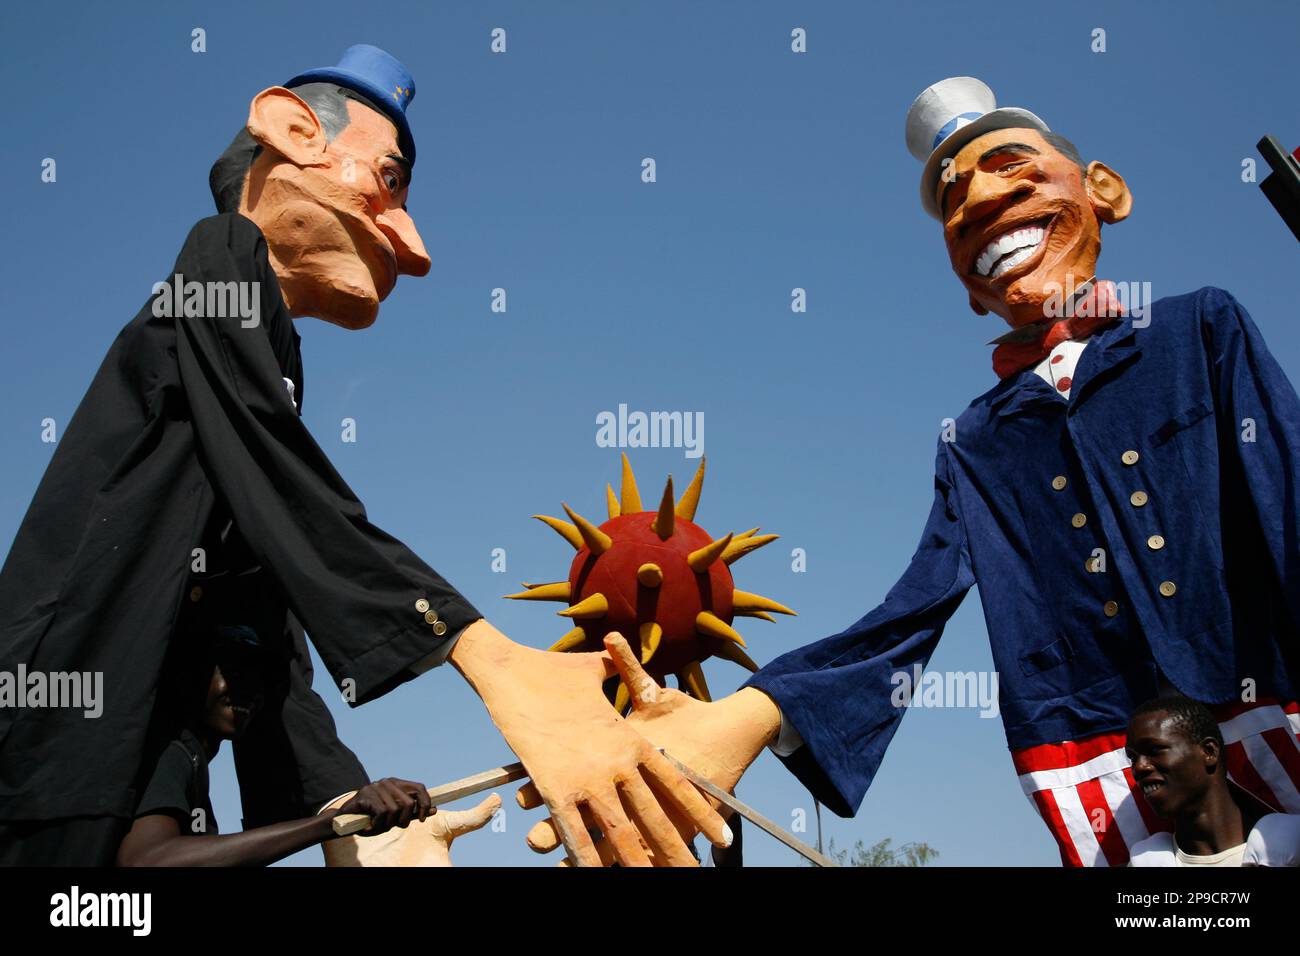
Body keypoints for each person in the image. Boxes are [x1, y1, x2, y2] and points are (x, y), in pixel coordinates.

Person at [524, 77, 1300, 867]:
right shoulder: (974, 439)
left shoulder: (1199, 327)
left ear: (1104, 190)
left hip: (1272, 697)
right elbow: (913, 609)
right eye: (954, 201)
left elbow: (1289, 491)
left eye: (1009, 164)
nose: (981, 203)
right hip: (1090, 751)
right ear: (966, 291)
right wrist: (749, 717)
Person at [0, 44, 727, 868]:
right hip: (52, 738)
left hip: (128, 765)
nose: (412, 247)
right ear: (290, 130)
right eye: (389, 181)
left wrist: (346, 813)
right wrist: (480, 653)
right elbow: (274, 465)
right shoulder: (221, 257)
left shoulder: (274, 353)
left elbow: (268, 621)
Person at [117, 625, 475, 867]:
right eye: (233, 673)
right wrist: (333, 822)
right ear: (190, 673)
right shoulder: (172, 749)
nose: (248, 693)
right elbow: (148, 860)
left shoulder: (194, 769)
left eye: (259, 683)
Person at [1126, 696, 1300, 867]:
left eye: (1154, 750)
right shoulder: (1145, 864)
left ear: (1209, 752)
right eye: (1133, 757)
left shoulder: (1292, 846)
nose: (1139, 767)